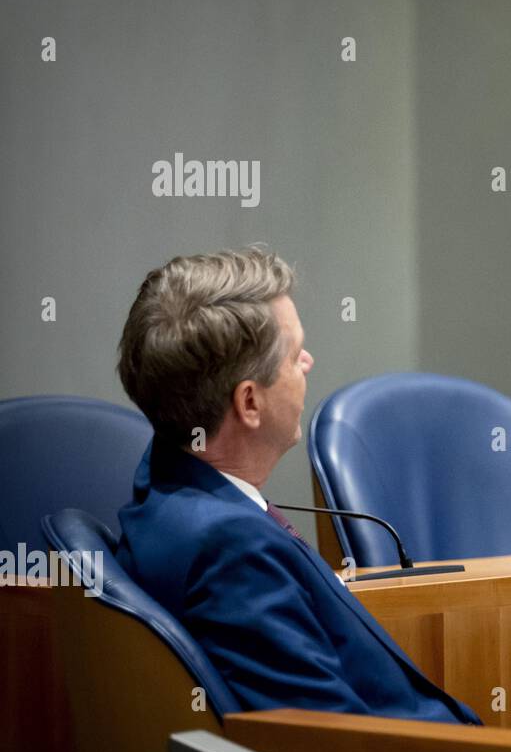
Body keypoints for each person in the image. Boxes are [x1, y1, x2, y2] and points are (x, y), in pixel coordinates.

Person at [115, 246, 480, 725]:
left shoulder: (163, 489)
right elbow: (332, 744)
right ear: (250, 402)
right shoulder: (232, 550)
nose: (307, 361)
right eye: (293, 355)